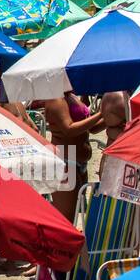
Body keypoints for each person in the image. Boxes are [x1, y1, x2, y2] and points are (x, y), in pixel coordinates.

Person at [35, 90, 104, 221]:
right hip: (65, 162)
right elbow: (68, 129)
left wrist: (112, 118)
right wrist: (101, 114)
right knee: (65, 219)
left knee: (74, 215)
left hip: (78, 162)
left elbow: (91, 128)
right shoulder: (56, 99)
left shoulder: (70, 96)